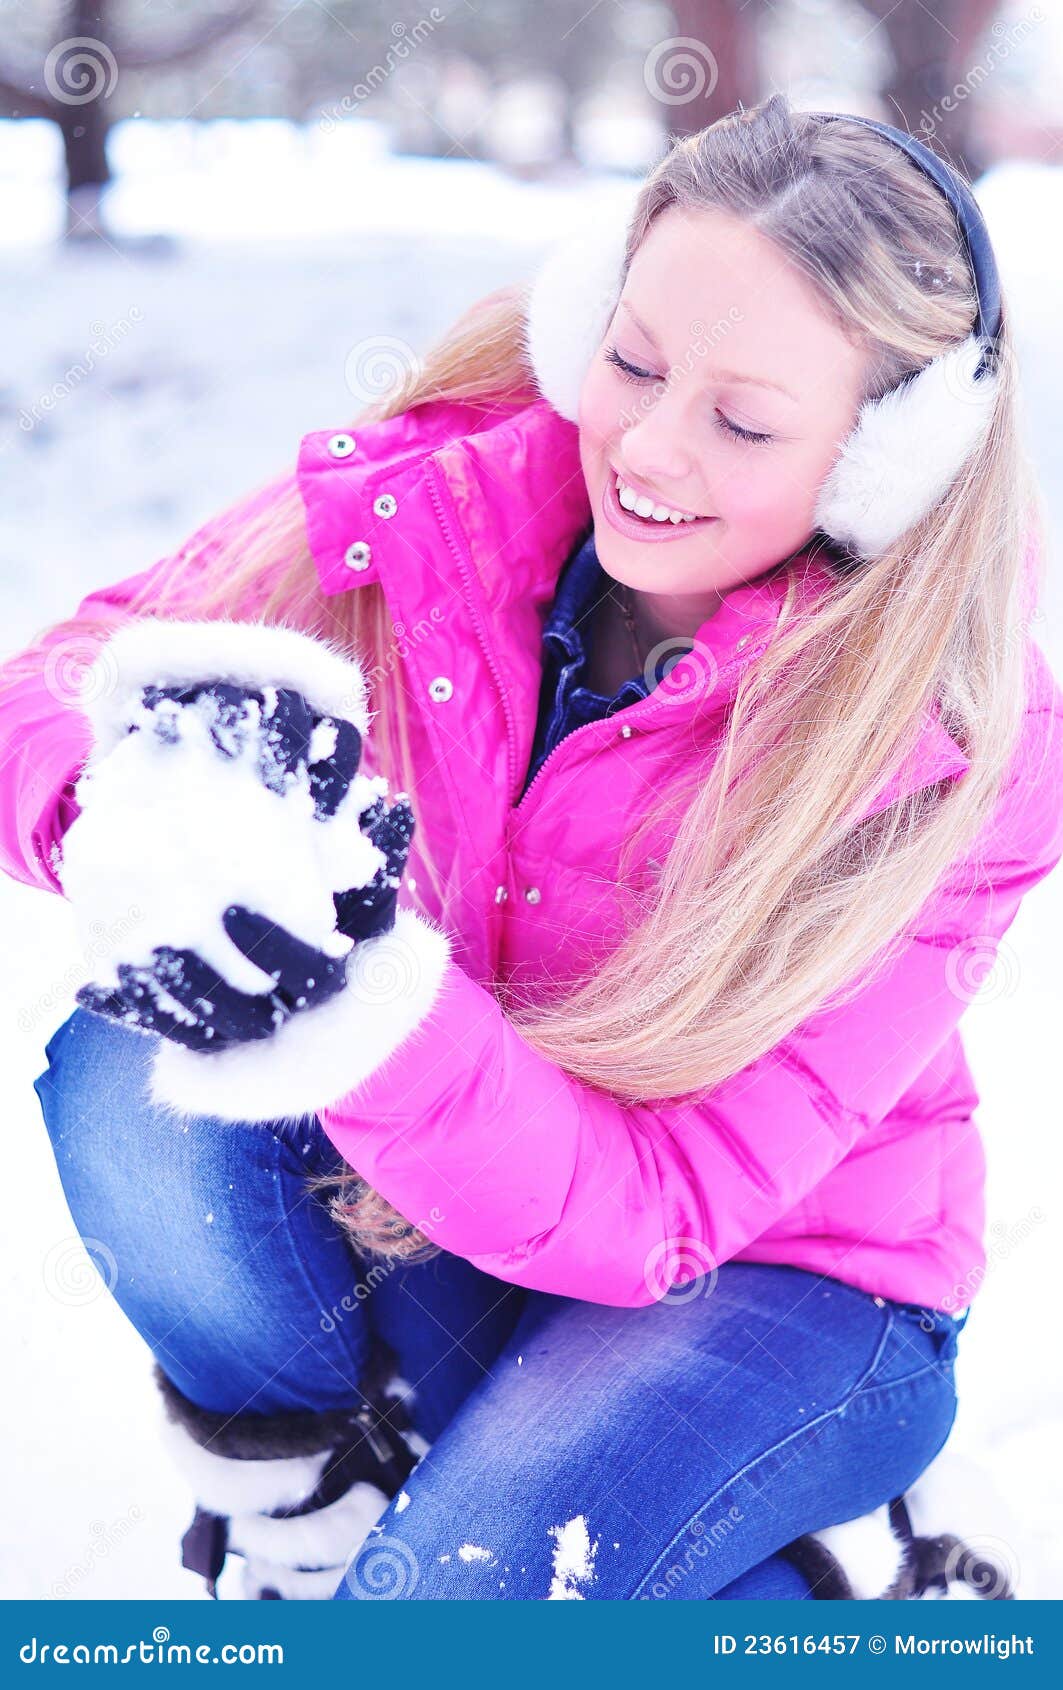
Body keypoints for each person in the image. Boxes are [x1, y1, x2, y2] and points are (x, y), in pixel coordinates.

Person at [5, 93, 1059, 1602]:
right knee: (137, 1073)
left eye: (745, 419)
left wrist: (360, 1005)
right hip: (483, 1192)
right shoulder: (450, 493)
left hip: (778, 1283)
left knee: (459, 1611)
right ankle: (322, 1494)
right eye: (633, 357)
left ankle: (845, 1574)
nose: (646, 442)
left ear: (885, 458)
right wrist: (143, 799)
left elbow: (657, 1210)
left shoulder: (953, 752)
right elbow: (59, 673)